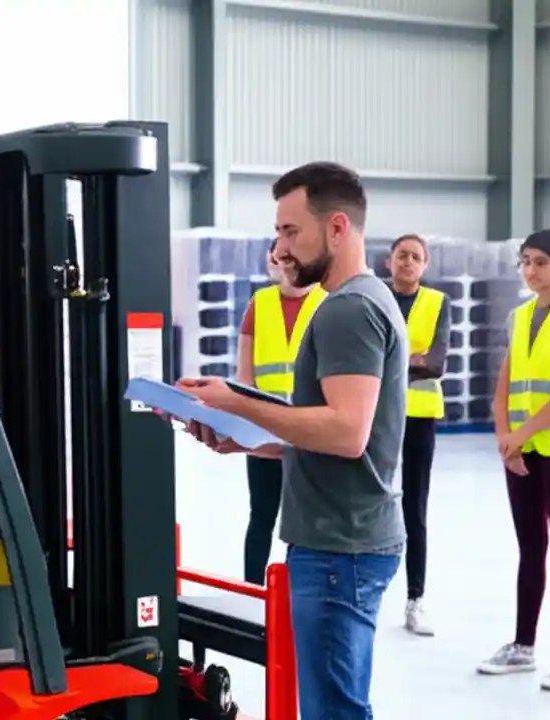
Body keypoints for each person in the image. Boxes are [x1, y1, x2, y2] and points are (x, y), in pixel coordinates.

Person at [170, 161, 407, 720]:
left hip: (338, 548)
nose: (280, 248)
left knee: (333, 711)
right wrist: (249, 439)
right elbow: (335, 428)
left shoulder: (348, 310)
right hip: (343, 541)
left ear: (337, 228)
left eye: (290, 231)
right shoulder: (361, 301)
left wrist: (238, 403)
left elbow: (348, 433)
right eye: (278, 231)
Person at [477, 229, 550, 691]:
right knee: (530, 549)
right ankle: (523, 647)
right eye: (524, 261)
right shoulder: (518, 317)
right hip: (523, 451)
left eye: (540, 261)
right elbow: (505, 382)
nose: (530, 270)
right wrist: (504, 435)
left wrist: (521, 433)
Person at [235, 243, 326, 584]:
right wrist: (250, 429)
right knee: (261, 516)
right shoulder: (259, 305)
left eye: (293, 251)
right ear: (270, 259)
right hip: (264, 433)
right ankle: (249, 595)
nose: (286, 260)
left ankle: (300, 596)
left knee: (306, 522)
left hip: (310, 434)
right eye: (279, 254)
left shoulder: (326, 302)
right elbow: (245, 378)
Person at [385, 233, 448, 636]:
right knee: (369, 501)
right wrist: (413, 358)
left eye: (415, 257)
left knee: (415, 509)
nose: (408, 262)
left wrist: (390, 360)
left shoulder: (437, 303)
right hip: (376, 416)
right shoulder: (375, 297)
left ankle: (415, 599)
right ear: (389, 261)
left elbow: (437, 362)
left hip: (420, 416)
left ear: (424, 265)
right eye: (401, 255)